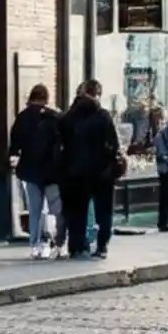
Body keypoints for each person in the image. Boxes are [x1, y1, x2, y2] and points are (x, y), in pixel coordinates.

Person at [59, 79, 120, 259]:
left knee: (76, 212)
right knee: (104, 212)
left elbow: (60, 146)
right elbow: (113, 145)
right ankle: (102, 246)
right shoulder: (103, 116)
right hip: (101, 174)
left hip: (73, 174)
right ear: (97, 95)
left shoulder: (67, 118)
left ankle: (77, 246)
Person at [9, 84, 64, 259]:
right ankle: (60, 243)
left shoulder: (22, 118)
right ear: (46, 98)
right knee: (57, 209)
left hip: (30, 170)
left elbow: (15, 143)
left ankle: (35, 244)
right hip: (52, 172)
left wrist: (13, 157)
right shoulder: (54, 117)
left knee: (35, 210)